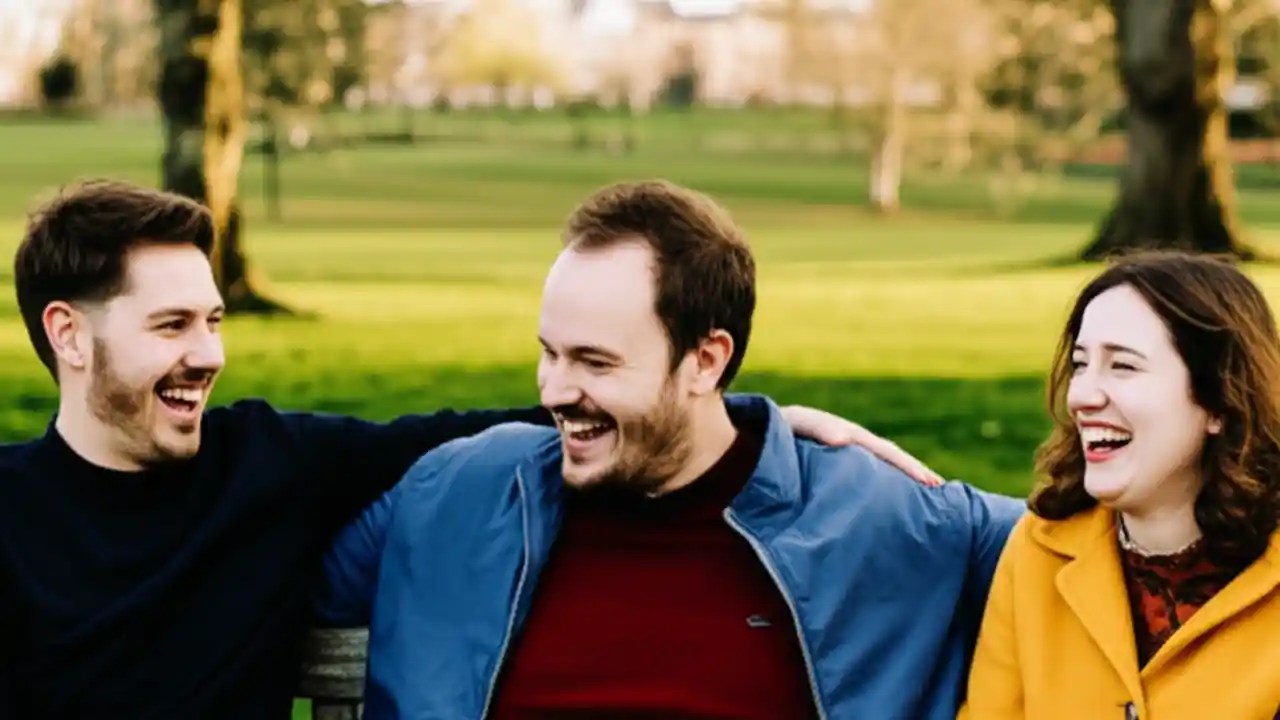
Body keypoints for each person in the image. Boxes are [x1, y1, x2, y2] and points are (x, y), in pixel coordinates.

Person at [0, 179, 931, 719]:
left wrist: (732, 409)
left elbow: (512, 423)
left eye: (212, 320)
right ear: (69, 336)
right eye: (172, 326)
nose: (208, 354)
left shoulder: (271, 469)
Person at [316, 179, 1025, 719]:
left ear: (706, 361)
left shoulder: (873, 513)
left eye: (594, 362)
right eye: (549, 353)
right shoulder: (456, 493)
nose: (554, 391)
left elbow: (1072, 547)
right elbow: (273, 566)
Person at [959, 251, 1280, 719]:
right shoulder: (1040, 548)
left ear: (1219, 401)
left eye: (1123, 366)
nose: (1082, 396)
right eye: (1081, 364)